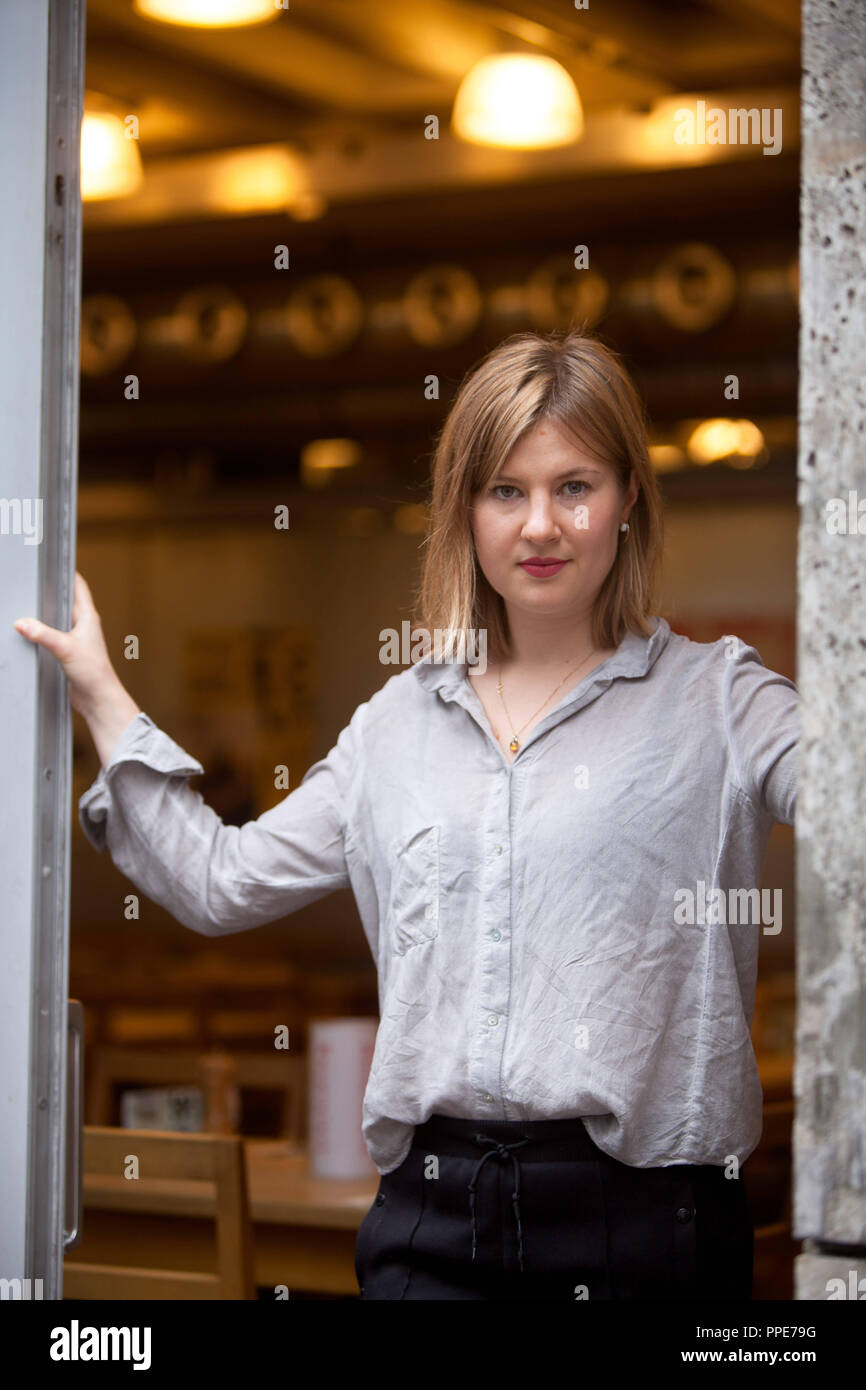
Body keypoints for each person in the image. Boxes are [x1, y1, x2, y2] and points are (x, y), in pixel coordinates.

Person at [13, 329, 797, 1301]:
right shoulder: (394, 724)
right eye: (504, 490)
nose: (539, 524)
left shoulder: (721, 701)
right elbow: (220, 881)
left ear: (629, 496)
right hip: (429, 1225)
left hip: (642, 1227)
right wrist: (98, 691)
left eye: (574, 486)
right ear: (465, 511)